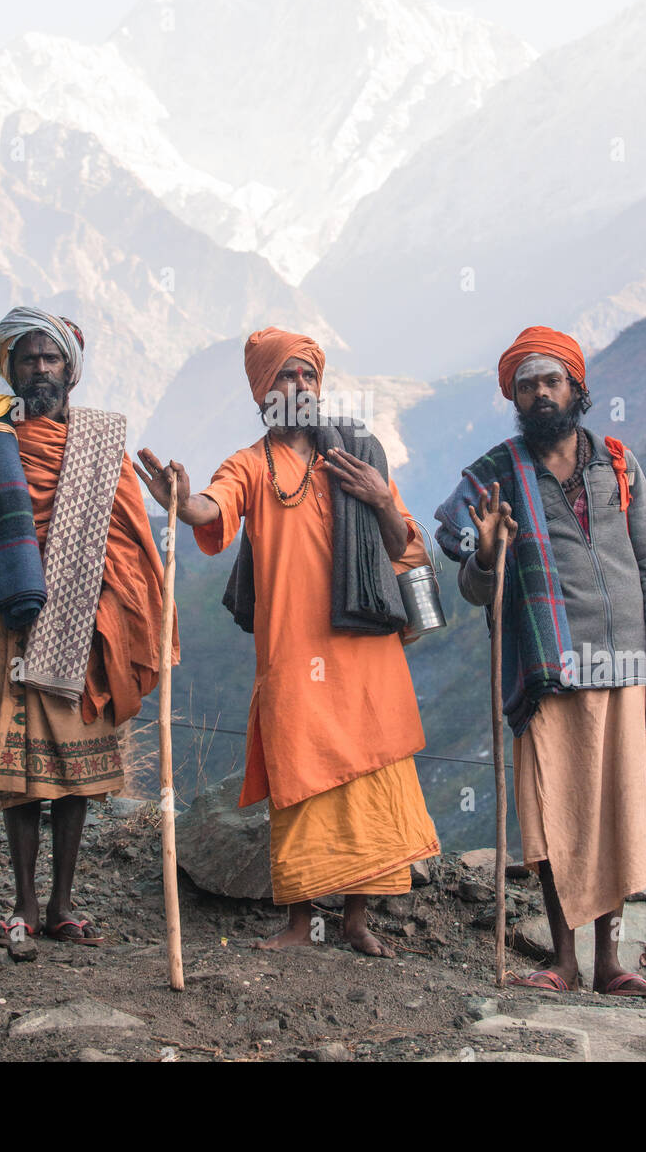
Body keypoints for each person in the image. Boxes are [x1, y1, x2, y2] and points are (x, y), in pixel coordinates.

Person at [136, 326, 439, 956]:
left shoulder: (357, 454)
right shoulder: (251, 464)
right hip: (295, 654)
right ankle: (301, 924)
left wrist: (381, 499)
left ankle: (356, 922)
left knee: (369, 776)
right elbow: (211, 508)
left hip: (365, 650)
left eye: (307, 376)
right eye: (285, 376)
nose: (299, 386)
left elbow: (404, 544)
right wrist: (180, 501)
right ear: (262, 390)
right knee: (299, 773)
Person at [0, 306, 174, 953]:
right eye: (28, 358)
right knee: (21, 767)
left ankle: (62, 904)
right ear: (12, 368)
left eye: (51, 358)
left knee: (77, 773)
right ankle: (23, 903)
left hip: (88, 621)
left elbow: (135, 546)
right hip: (13, 620)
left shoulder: (101, 442)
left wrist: (127, 613)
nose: (40, 369)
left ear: (71, 372)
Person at [435, 325, 646, 999]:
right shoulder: (493, 478)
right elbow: (473, 584)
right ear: (514, 397)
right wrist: (486, 552)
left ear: (576, 387)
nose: (540, 394)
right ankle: (563, 962)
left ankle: (610, 964)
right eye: (526, 385)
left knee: (621, 811)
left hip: (626, 668)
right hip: (548, 667)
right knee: (555, 810)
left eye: (552, 381)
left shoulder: (621, 467)